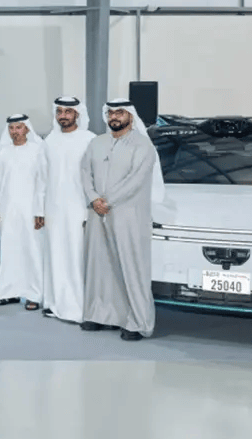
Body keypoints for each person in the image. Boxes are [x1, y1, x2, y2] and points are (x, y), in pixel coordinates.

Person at [80, 99, 163, 341]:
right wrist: (93, 198)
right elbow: (85, 172)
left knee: (131, 266)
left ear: (130, 116)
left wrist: (107, 201)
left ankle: (137, 322)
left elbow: (136, 179)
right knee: (99, 264)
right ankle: (100, 315)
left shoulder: (143, 145)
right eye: (110, 113)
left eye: (119, 113)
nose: (114, 117)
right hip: (97, 212)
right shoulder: (97, 143)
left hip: (128, 214)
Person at [41, 97, 96, 323]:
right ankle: (55, 303)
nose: (63, 116)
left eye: (68, 112)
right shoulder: (49, 140)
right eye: (59, 112)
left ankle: (78, 308)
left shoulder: (89, 139)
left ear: (77, 114)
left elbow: (94, 176)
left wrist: (89, 208)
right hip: (53, 208)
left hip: (78, 208)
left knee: (76, 257)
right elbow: (42, 177)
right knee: (54, 256)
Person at [0, 114, 48, 311]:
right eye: (12, 128)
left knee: (32, 251)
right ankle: (8, 292)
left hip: (31, 211)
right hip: (8, 210)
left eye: (19, 127)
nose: (15, 131)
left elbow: (42, 182)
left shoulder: (38, 150)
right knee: (9, 251)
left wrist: (40, 211)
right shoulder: (4, 151)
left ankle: (34, 295)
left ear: (27, 129)